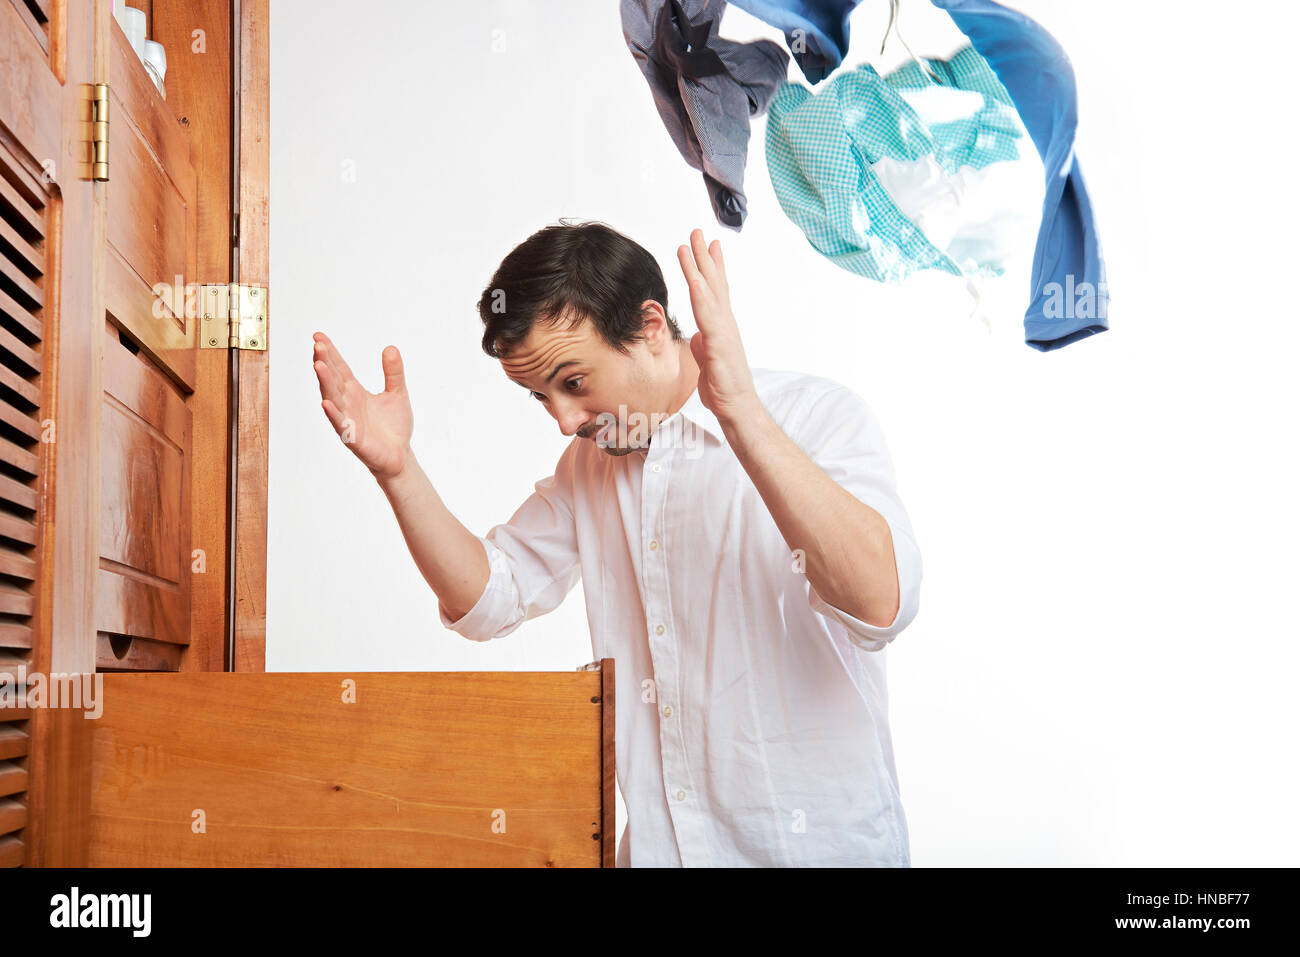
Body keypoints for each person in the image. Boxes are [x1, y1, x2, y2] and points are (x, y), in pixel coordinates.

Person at [312, 220, 923, 867]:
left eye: (573, 382)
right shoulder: (590, 470)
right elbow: (491, 595)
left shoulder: (816, 416)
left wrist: (740, 412)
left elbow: (881, 603)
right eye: (539, 396)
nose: (566, 421)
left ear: (651, 326)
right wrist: (397, 469)